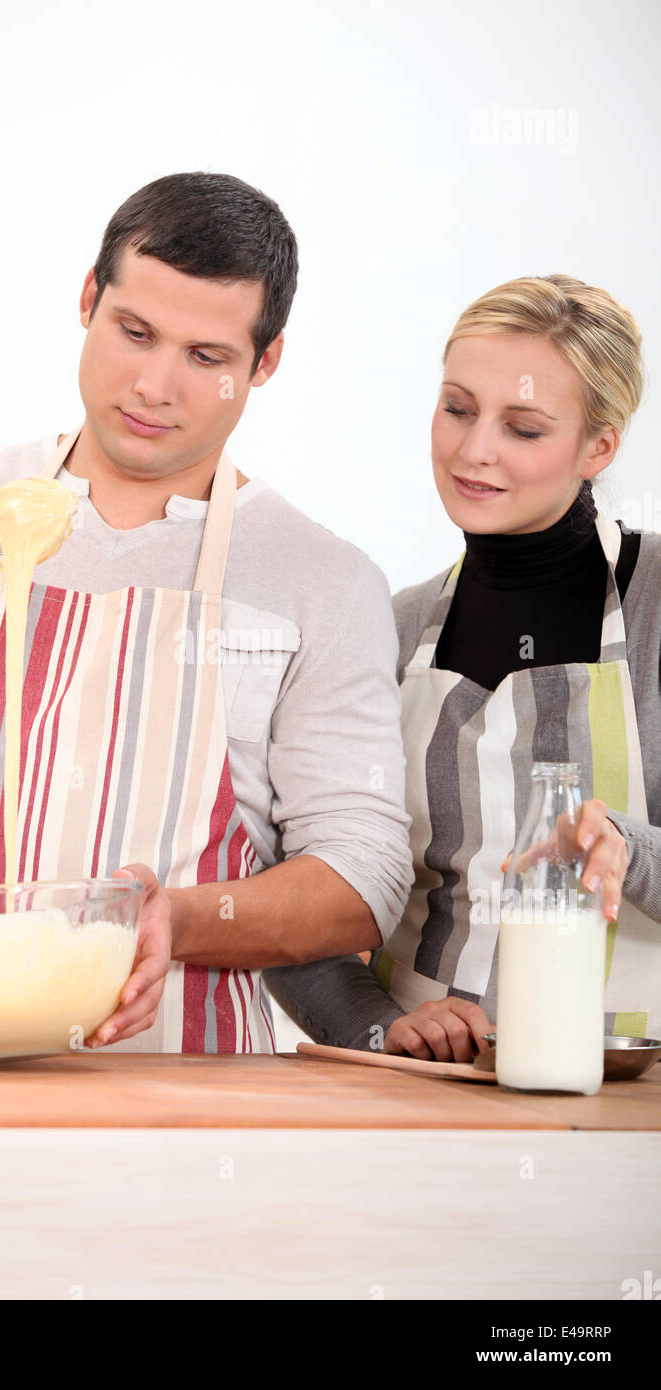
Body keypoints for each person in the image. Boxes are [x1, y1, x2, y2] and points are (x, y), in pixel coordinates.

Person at [0, 171, 412, 1053]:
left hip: (190, 1086)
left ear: (264, 364)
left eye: (207, 358)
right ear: (89, 299)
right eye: (135, 333)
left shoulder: (323, 580)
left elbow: (364, 878)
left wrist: (179, 921)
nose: (155, 386)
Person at [266, 273, 661, 1058]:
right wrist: (381, 1027)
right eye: (457, 409)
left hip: (634, 1099)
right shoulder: (389, 624)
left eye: (523, 427)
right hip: (420, 1095)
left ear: (600, 445)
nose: (473, 451)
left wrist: (630, 849)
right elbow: (300, 896)